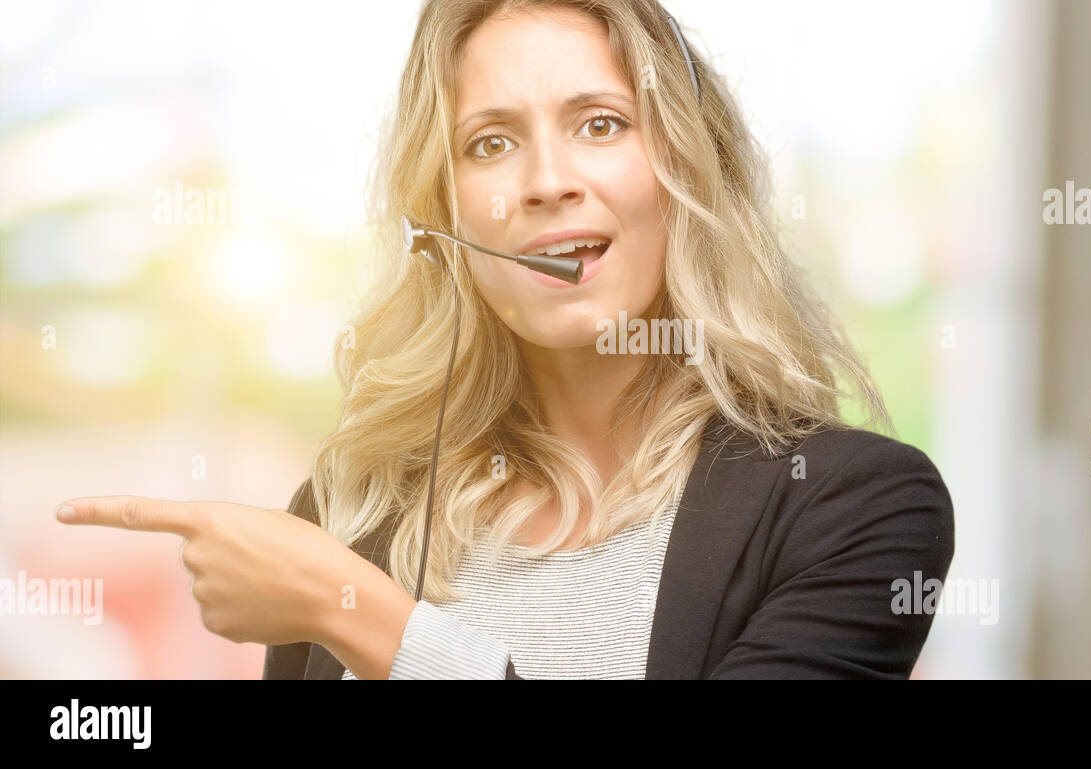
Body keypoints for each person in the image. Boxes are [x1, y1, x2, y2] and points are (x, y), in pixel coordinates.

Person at [55, 0, 955, 680]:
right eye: (490, 143)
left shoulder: (856, 508)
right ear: (442, 214)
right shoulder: (351, 514)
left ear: (685, 165)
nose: (546, 181)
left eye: (599, 124)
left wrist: (368, 620)